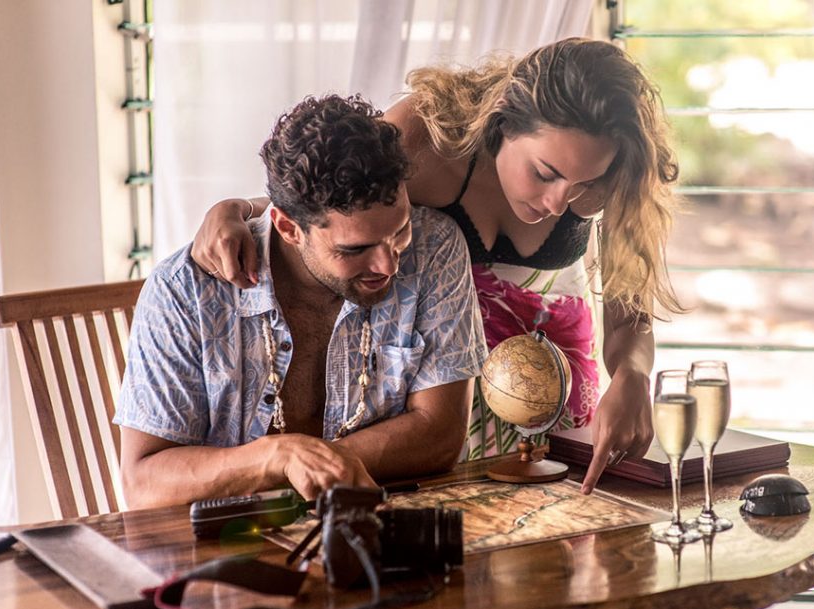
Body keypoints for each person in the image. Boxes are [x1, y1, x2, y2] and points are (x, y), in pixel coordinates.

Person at [193, 38, 683, 504]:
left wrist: (635, 376)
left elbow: (628, 305)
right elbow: (329, 209)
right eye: (544, 173)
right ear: (502, 122)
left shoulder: (622, 174)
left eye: (586, 185)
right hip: (437, 385)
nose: (559, 203)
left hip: (547, 381)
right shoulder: (423, 137)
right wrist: (236, 208)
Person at [115, 94, 487, 509]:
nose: (388, 264)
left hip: (376, 530)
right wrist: (276, 457)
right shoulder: (186, 291)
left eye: (399, 232)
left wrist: (315, 461)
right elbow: (143, 484)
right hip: (225, 548)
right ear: (289, 227)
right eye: (355, 248)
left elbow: (441, 437)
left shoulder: (435, 246)